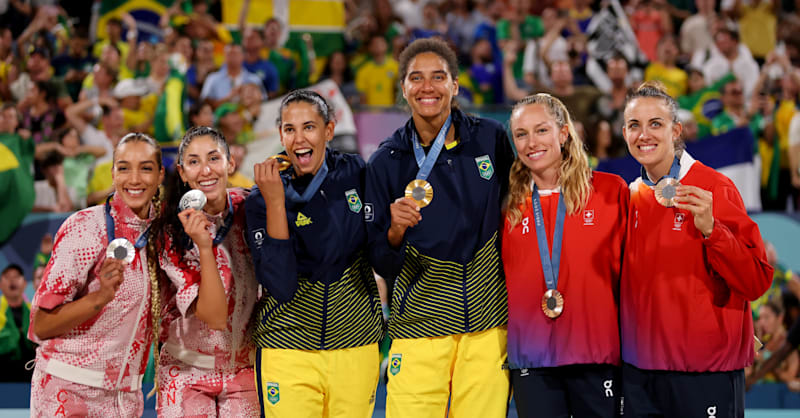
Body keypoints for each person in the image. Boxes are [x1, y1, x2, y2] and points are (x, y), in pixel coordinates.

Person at [364, 37, 514, 417]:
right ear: (403, 88)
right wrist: (394, 231)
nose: (427, 87)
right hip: (419, 325)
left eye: (438, 77)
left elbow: (515, 215)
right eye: (416, 78)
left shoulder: (489, 138)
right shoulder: (386, 160)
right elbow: (382, 262)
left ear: (455, 85)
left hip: (486, 323)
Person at [620, 81, 773, 417]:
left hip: (704, 374)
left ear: (676, 131)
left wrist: (712, 230)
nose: (644, 134)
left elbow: (756, 282)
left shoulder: (715, 187)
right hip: (639, 377)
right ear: (624, 133)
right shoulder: (629, 197)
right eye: (634, 125)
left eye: (655, 124)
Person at [244, 90, 383, 417]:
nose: (299, 138)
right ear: (280, 135)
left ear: (329, 131)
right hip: (286, 346)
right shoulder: (261, 196)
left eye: (309, 127)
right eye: (289, 129)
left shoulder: (357, 174)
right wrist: (277, 202)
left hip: (355, 342)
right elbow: (280, 284)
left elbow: (375, 252)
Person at [502, 93, 628, 417]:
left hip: (596, 354)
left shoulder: (610, 192)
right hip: (532, 359)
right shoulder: (507, 205)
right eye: (521, 134)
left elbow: (637, 275)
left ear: (563, 133)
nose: (532, 142)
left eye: (541, 130)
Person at [28, 133, 164, 417]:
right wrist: (99, 297)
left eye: (146, 168)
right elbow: (41, 325)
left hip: (126, 399)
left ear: (160, 174)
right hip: (69, 390)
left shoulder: (163, 236)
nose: (134, 178)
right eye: (124, 167)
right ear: (112, 173)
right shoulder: (84, 228)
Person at [150, 126, 259, 416]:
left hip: (245, 370)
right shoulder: (170, 231)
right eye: (194, 162)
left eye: (214, 158)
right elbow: (214, 317)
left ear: (230, 163)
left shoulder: (252, 208)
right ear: (183, 172)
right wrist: (205, 246)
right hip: (186, 371)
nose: (205, 170)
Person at [0, 264, 35, 382]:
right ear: (0, 284)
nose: (12, 280)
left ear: (24, 283)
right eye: (8, 277)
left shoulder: (34, 312)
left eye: (16, 277)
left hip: (29, 379)